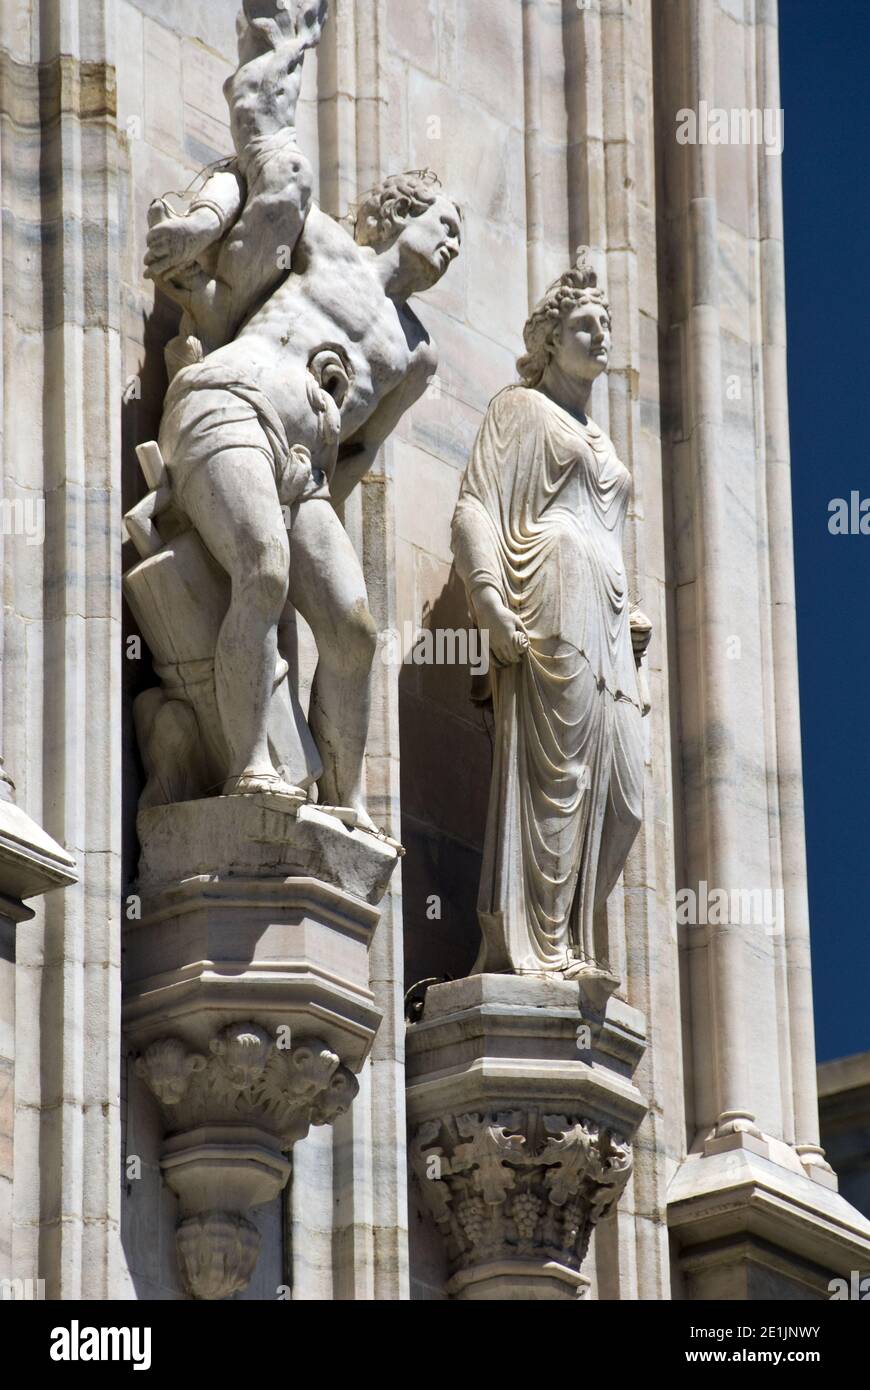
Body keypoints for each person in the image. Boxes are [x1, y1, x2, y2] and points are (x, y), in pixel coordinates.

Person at [157, 171, 462, 835]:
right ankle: (249, 767)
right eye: (446, 224)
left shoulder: (417, 355)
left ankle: (340, 799)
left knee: (355, 631)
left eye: (459, 239)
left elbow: (361, 449)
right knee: (263, 570)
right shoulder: (325, 241)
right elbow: (258, 171)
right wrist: (199, 226)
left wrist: (315, 492)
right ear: (396, 213)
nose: (453, 245)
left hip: (305, 474)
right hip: (230, 401)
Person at [451, 249, 651, 979]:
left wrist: (633, 612)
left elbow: (611, 533)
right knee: (557, 780)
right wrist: (487, 598)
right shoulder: (519, 408)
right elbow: (474, 504)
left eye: (606, 326)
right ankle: (540, 953)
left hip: (608, 624)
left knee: (624, 794)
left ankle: (566, 937)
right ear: (548, 339)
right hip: (550, 599)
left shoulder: (602, 439)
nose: (602, 337)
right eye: (585, 325)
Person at [144, 0, 329, 356]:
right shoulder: (261, 59)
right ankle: (200, 250)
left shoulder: (289, 50)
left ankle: (215, 298)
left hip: (274, 153)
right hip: (252, 162)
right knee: (236, 185)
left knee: (288, 179)